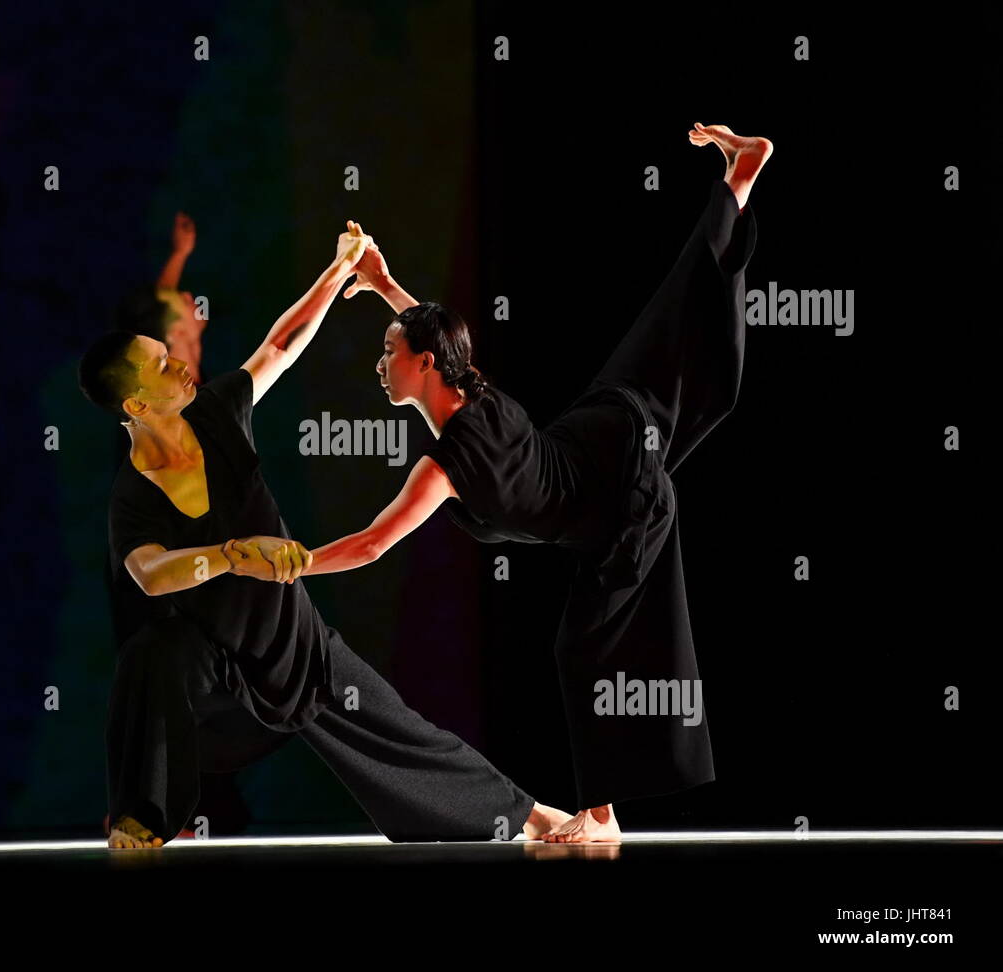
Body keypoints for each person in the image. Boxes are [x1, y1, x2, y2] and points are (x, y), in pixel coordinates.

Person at [287, 123, 771, 842]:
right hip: (609, 428)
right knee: (676, 315)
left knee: (583, 648)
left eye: (388, 352)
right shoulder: (470, 392)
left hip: (619, 502)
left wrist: (289, 564)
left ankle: (602, 817)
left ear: (421, 365)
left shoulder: (444, 466)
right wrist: (387, 286)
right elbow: (435, 334)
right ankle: (738, 179)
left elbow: (370, 545)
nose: (379, 363)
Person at [79, 222, 575, 848]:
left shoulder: (219, 410)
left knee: (401, 732)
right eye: (161, 365)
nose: (181, 363)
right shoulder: (133, 493)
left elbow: (282, 343)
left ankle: (534, 818)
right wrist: (232, 555)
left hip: (291, 642)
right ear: (138, 408)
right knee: (149, 656)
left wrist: (340, 270)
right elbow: (149, 573)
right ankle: (141, 818)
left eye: (170, 351)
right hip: (216, 666)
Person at [113, 211, 208, 385]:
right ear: (176, 332)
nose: (188, 295)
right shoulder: (200, 404)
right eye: (184, 300)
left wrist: (180, 252)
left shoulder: (164, 337)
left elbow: (161, 306)